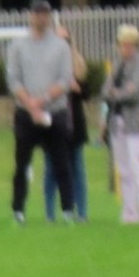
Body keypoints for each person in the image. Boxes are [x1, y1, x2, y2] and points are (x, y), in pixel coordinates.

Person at [5, 0, 76, 224]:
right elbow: (13, 79)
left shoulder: (60, 46)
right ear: (31, 16)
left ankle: (67, 210)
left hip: (54, 112)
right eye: (37, 13)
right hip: (26, 114)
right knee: (22, 164)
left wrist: (43, 100)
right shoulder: (18, 45)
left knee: (61, 163)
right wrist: (30, 103)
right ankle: (18, 209)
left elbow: (65, 79)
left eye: (45, 13)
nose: (41, 17)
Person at [102, 25, 139, 225]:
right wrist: (117, 92)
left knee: (136, 166)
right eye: (121, 45)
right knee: (122, 169)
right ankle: (129, 211)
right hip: (117, 121)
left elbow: (135, 93)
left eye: (128, 45)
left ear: (135, 46)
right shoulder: (118, 65)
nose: (124, 49)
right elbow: (105, 90)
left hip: (135, 123)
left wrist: (117, 93)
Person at [41, 22, 88, 223]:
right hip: (52, 124)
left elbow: (87, 93)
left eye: (66, 40)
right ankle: (50, 213)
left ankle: (81, 213)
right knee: (52, 169)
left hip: (74, 125)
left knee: (77, 168)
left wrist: (77, 88)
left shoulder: (77, 64)